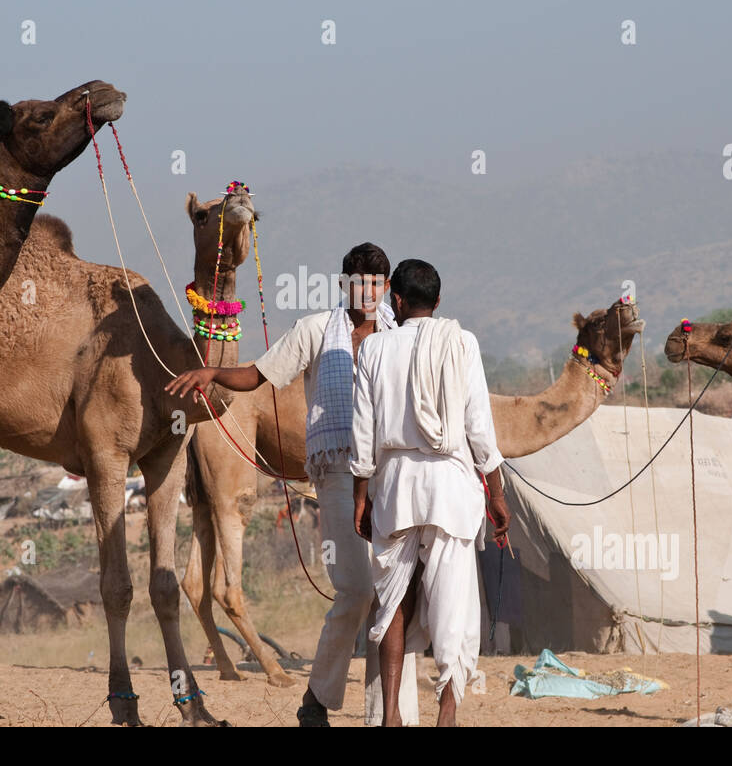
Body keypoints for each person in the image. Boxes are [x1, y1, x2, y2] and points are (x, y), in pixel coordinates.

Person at [166, 243, 420, 727]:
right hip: (339, 472)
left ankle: (388, 716)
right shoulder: (315, 331)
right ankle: (316, 702)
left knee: (394, 599)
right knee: (356, 591)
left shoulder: (402, 334)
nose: (366, 292)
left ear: (387, 289)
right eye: (357, 282)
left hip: (394, 474)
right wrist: (214, 371)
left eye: (375, 283)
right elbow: (261, 374)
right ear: (344, 284)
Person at [349, 258, 510, 727]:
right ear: (437, 302)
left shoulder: (375, 349)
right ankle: (446, 714)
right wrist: (496, 495)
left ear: (394, 300)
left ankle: (392, 715)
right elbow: (480, 430)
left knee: (394, 599)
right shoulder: (462, 342)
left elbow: (364, 434)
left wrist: (362, 494)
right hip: (451, 488)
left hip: (396, 484)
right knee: (451, 604)